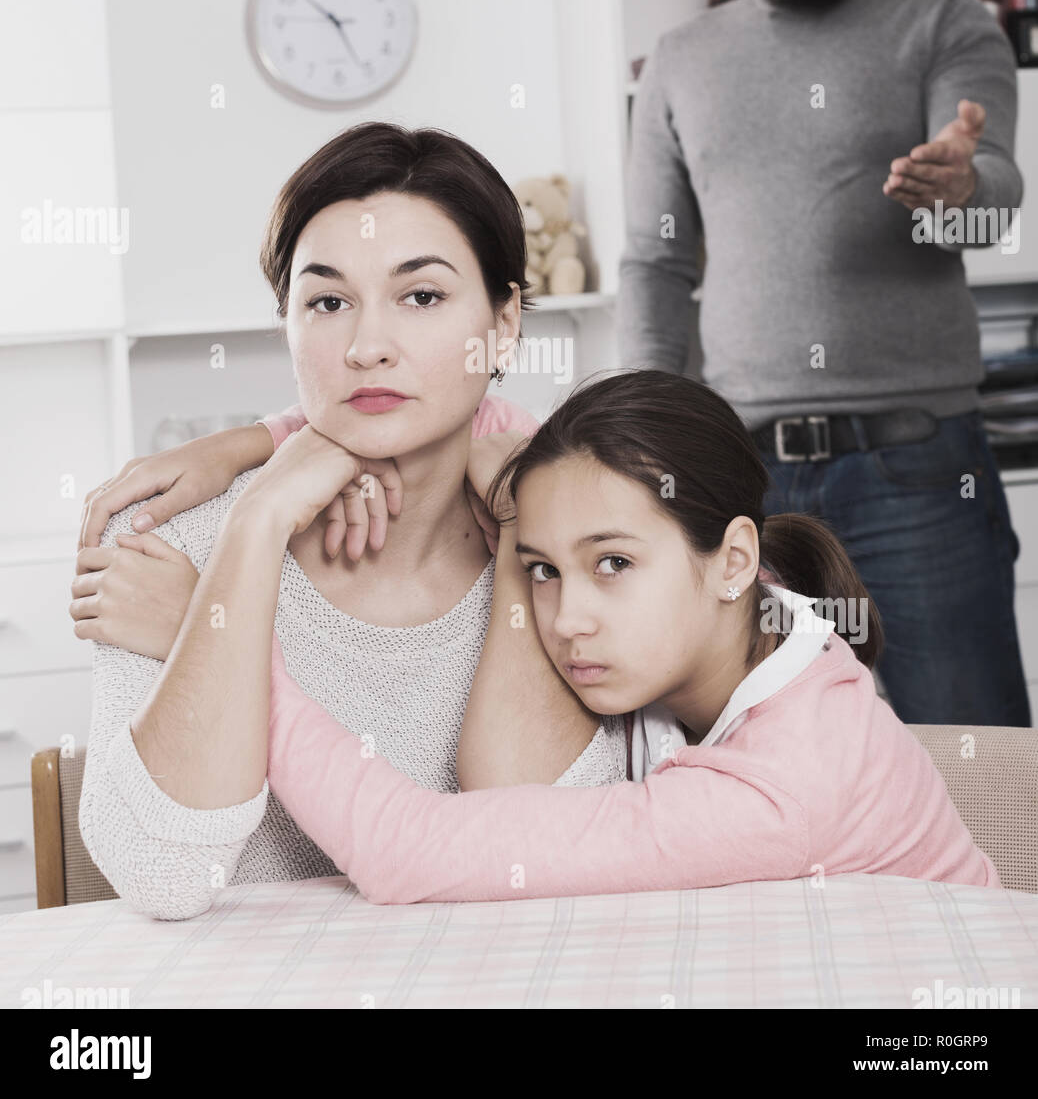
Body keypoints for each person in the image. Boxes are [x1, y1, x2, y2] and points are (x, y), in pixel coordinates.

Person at [73, 122, 629, 920]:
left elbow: (530, 849)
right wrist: (258, 523)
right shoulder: (168, 541)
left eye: (422, 296)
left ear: (505, 325)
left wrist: (521, 526)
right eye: (328, 301)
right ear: (286, 325)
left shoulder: (572, 550)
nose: (369, 345)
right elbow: (164, 878)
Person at [202, 369, 1000, 904]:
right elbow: (492, 420)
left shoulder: (788, 784)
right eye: (543, 570)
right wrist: (251, 445)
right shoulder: (751, 617)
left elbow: (399, 849)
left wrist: (211, 637)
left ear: (733, 559)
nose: (566, 619)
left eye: (612, 563)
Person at [617, 0, 1030, 727]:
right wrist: (642, 442)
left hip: (919, 472)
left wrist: (956, 186)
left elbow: (991, 196)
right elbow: (656, 260)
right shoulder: (683, 59)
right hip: (739, 482)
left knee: (975, 752)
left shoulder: (949, 24)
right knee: (751, 753)